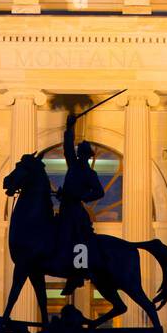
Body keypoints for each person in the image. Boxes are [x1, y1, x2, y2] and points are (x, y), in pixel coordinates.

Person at [55, 111, 104, 294]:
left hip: (75, 210)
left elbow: (99, 192)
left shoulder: (90, 174)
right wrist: (70, 127)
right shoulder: (74, 165)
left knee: (77, 238)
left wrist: (82, 197)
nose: (78, 153)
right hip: (65, 206)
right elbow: (68, 146)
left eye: (82, 152)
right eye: (79, 152)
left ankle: (77, 273)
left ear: (87, 155)